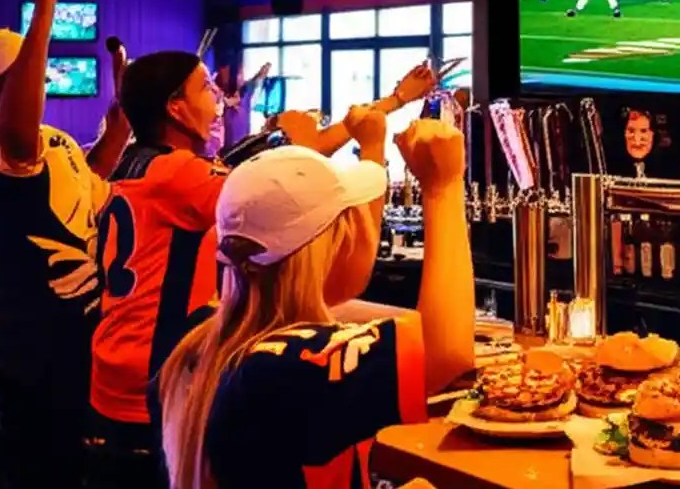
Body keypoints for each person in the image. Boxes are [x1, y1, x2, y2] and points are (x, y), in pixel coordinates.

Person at [88, 52, 436, 485]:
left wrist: (392, 101)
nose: (217, 100)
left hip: (117, 367)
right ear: (176, 107)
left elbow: (293, 174)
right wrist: (374, 142)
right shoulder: (180, 174)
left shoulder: (137, 163)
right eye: (205, 89)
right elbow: (279, 194)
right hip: (157, 376)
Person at [158, 115, 474, 489]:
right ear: (331, 247)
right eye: (356, 216)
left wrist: (374, 148)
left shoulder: (214, 339)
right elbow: (447, 354)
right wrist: (443, 188)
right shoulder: (284, 365)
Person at [0, 0, 130, 489]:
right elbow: (17, 140)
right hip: (31, 354)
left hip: (77, 342)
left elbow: (95, 168)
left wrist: (124, 103)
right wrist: (45, 11)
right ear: (10, 81)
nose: (47, 70)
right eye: (36, 62)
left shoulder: (51, 144)